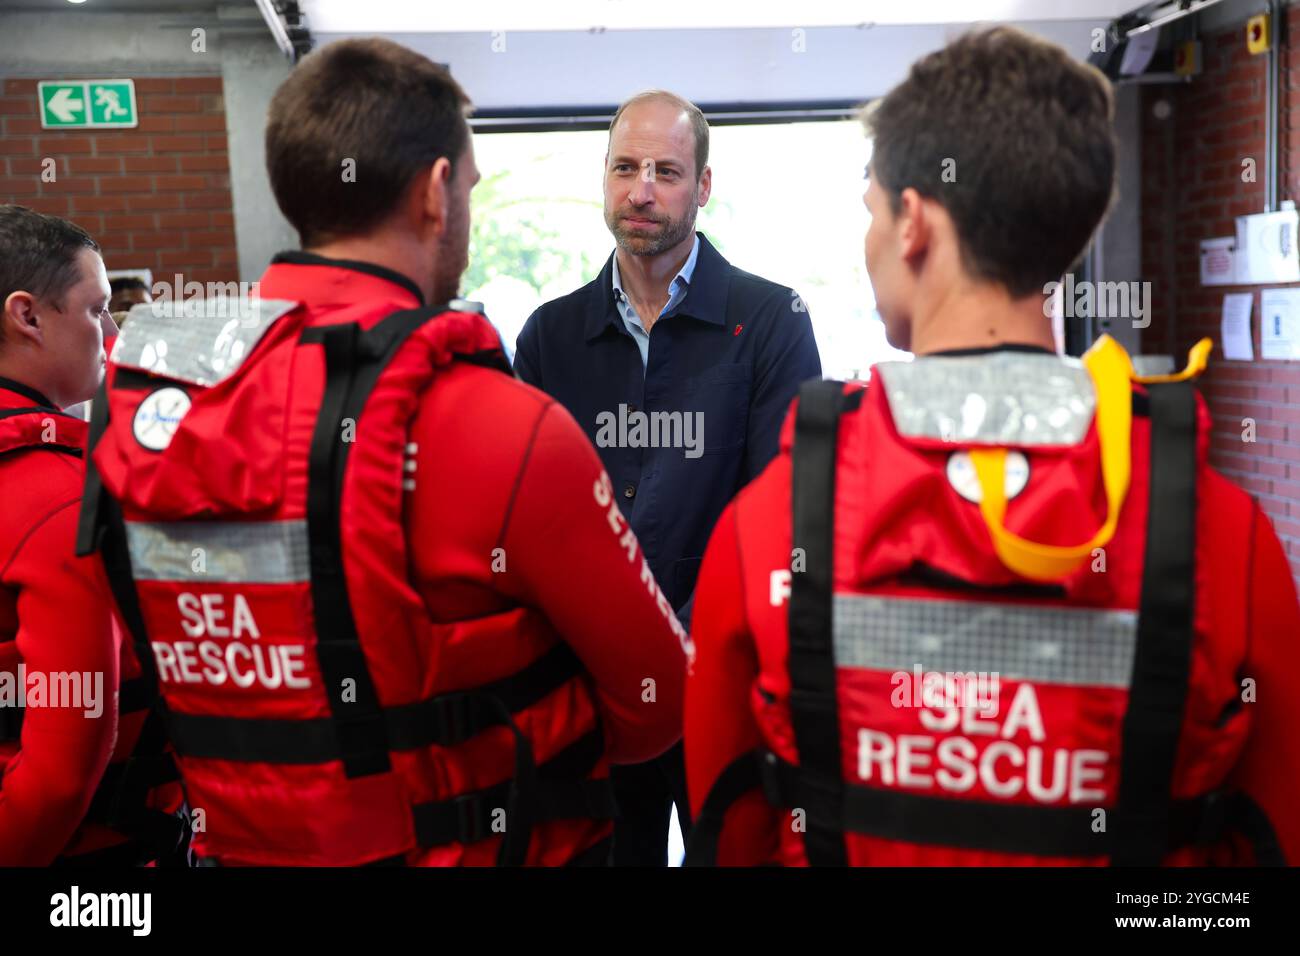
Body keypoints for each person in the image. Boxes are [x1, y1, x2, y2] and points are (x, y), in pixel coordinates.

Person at [683, 26, 1300, 867]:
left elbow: (729, 828)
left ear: (913, 223)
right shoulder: (1228, 537)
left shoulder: (768, 524)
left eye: (870, 210)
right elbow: (1266, 838)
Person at [78, 37, 688, 867]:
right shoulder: (504, 425)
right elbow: (657, 700)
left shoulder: (150, 403)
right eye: (468, 187)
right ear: (437, 193)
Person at [514, 89, 821, 866]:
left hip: (722, 681)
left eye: (666, 171)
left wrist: (681, 650)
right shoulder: (550, 336)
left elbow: (775, 513)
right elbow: (532, 524)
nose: (641, 190)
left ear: (704, 186)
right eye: (625, 167)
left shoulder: (771, 321)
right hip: (590, 686)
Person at [0, 204, 184, 865]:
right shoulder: (57, 498)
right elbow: (62, 777)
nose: (111, 332)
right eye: (96, 308)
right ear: (26, 316)